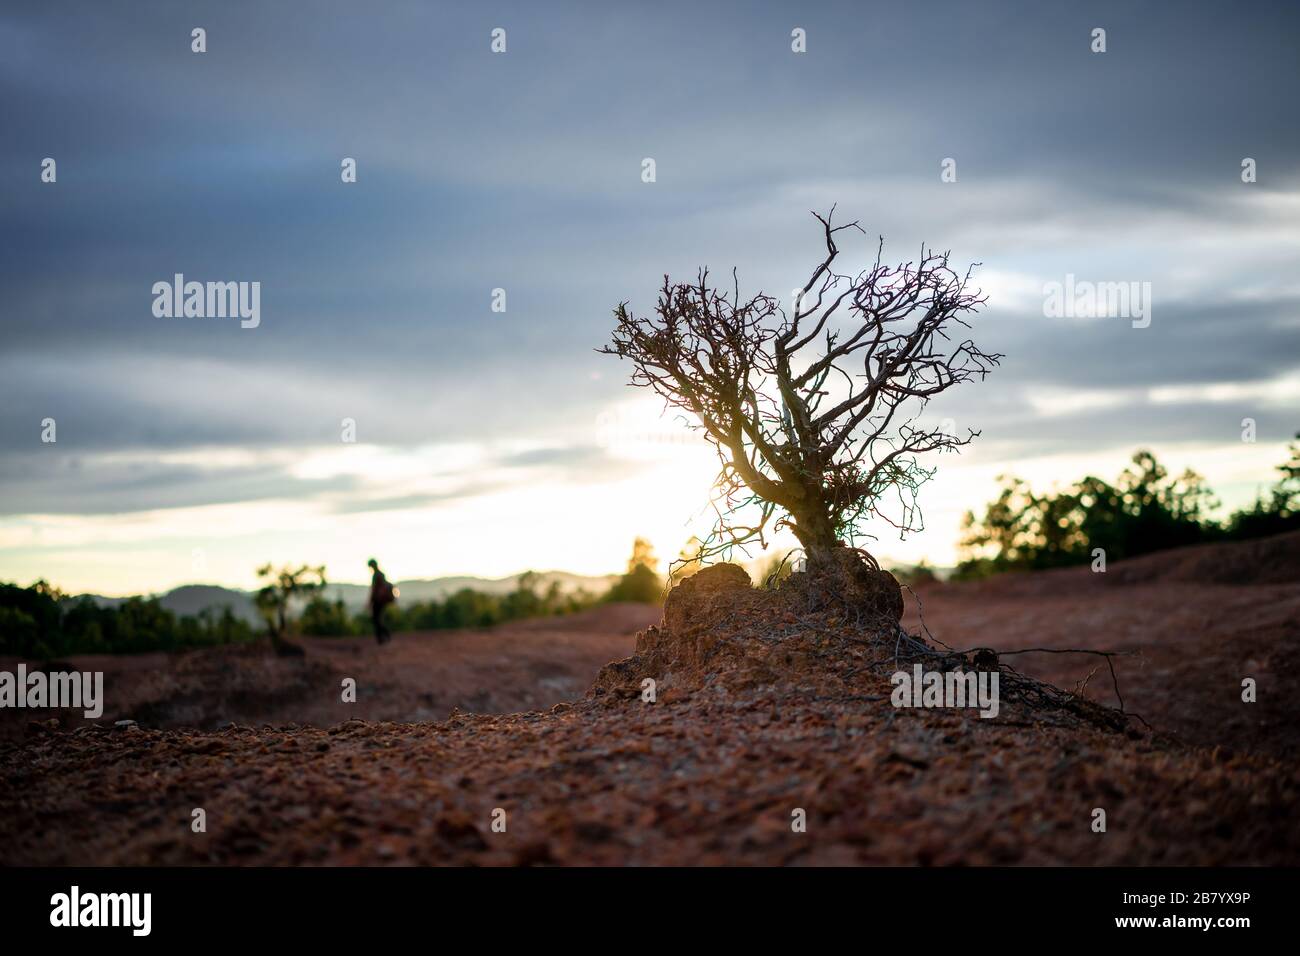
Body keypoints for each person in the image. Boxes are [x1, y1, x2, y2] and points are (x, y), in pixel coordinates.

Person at [367, 558, 395, 645]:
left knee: (376, 619)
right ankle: (384, 636)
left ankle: (382, 637)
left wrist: (370, 601)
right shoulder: (381, 574)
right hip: (382, 600)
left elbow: (374, 589)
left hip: (378, 600)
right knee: (378, 619)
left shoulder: (376, 575)